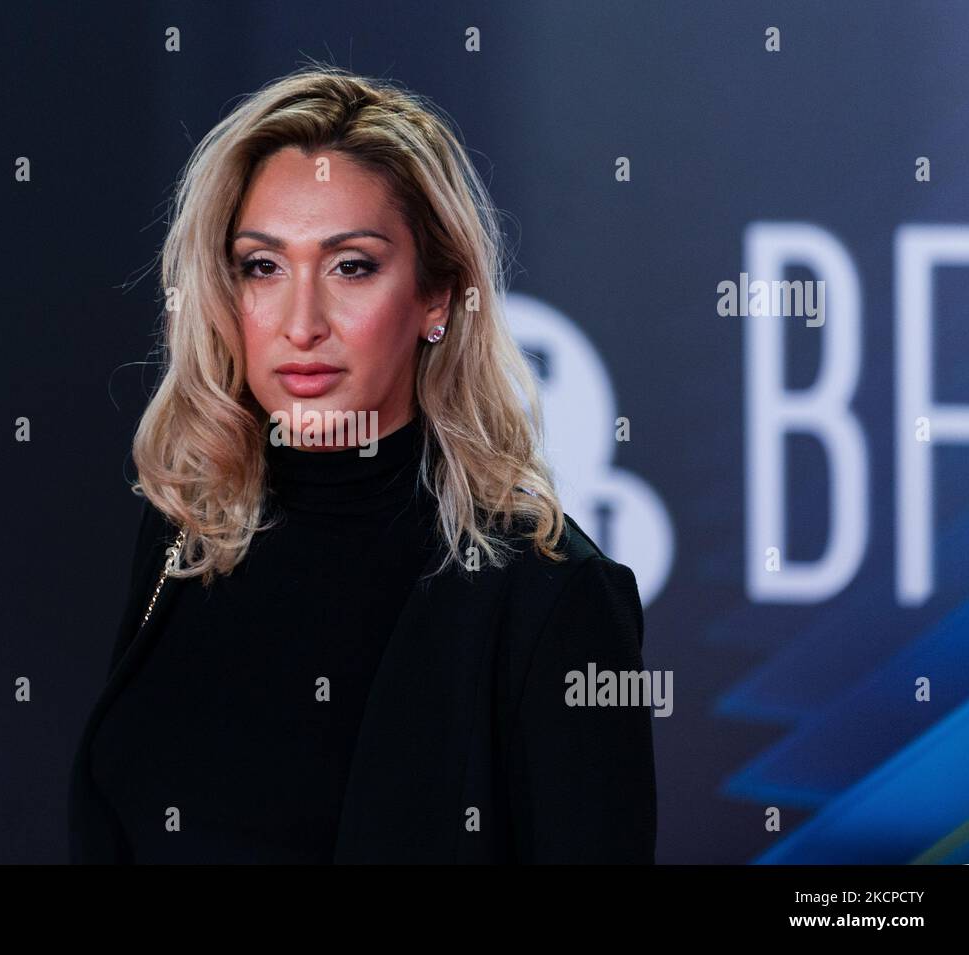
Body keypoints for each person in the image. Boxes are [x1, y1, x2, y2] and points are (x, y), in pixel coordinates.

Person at [69, 64, 656, 864]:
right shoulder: (190, 533)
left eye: (351, 266)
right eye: (263, 266)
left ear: (438, 296)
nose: (301, 322)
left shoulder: (551, 597)